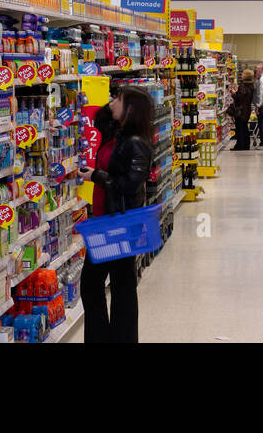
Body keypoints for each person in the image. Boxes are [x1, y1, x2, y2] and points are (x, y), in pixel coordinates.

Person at [79, 85, 154, 344]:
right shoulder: (117, 133)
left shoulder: (137, 143)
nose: (112, 101)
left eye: (118, 99)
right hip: (104, 219)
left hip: (119, 223)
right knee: (111, 286)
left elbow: (130, 184)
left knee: (104, 286)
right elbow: (99, 118)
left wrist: (96, 176)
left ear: (130, 108)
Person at [227, 69, 255, 151]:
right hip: (247, 109)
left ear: (245, 76)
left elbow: (239, 97)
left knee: (239, 128)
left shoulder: (243, 86)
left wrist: (233, 93)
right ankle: (246, 145)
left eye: (243, 73)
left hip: (241, 110)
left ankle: (239, 146)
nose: (242, 74)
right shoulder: (251, 85)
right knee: (245, 127)